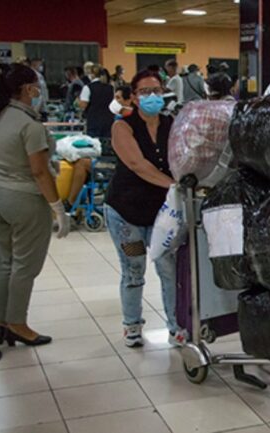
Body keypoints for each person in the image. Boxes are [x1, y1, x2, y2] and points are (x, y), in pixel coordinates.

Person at [0, 62, 71, 347]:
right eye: (36, 85)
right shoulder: (29, 125)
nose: (39, 90)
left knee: (7, 262)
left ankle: (1, 320)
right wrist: (57, 206)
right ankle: (18, 324)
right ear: (25, 89)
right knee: (25, 266)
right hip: (23, 200)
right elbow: (39, 171)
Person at [105, 69, 182, 348]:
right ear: (134, 98)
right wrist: (174, 185)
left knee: (169, 270)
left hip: (162, 215)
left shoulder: (172, 124)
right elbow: (137, 165)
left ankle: (176, 326)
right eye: (145, 92)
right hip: (127, 215)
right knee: (134, 270)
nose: (152, 96)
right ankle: (132, 326)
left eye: (157, 91)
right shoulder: (122, 126)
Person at [78, 65, 115, 138]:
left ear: (92, 74)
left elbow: (83, 105)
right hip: (108, 120)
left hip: (94, 121)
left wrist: (78, 102)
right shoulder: (110, 88)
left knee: (94, 144)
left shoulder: (88, 87)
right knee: (107, 144)